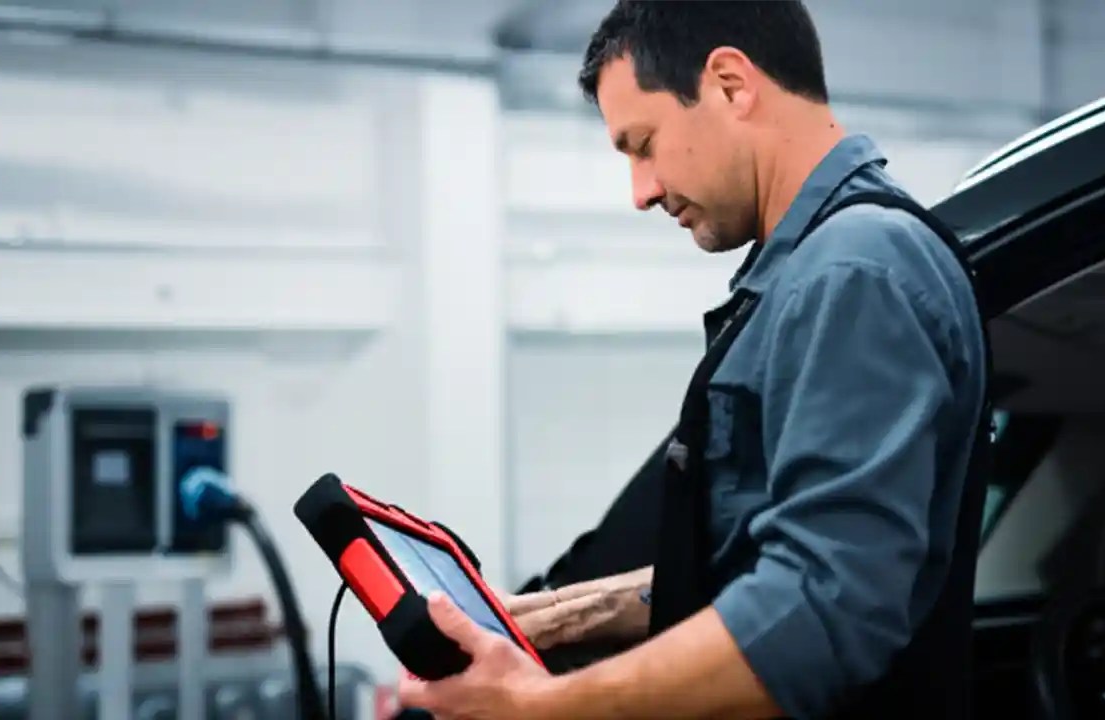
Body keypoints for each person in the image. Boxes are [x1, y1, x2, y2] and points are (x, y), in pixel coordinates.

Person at [399, 1, 990, 718]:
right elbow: (750, 564)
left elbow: (823, 605)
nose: (641, 192)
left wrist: (541, 709)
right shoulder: (817, 271)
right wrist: (554, 616)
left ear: (731, 85)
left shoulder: (854, 269)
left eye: (642, 144)